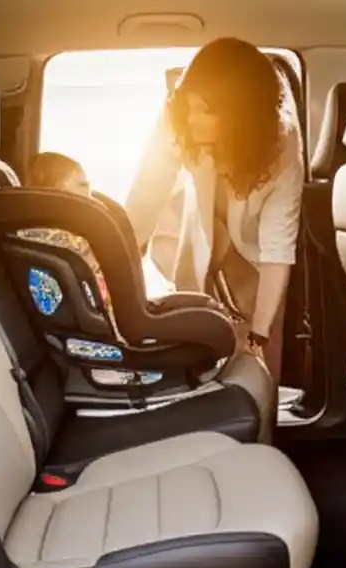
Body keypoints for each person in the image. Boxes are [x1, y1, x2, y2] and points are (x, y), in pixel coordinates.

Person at [125, 38, 304, 376]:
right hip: (198, 244)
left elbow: (277, 250)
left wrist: (258, 335)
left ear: (239, 115)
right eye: (189, 106)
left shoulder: (281, 149)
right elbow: (145, 197)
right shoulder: (178, 118)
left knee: (255, 363)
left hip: (254, 260)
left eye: (205, 110)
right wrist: (110, 268)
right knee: (193, 353)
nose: (191, 117)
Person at [21, 151, 110, 310]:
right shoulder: (75, 244)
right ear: (58, 190)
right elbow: (103, 300)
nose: (89, 195)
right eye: (82, 185)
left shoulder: (23, 235)